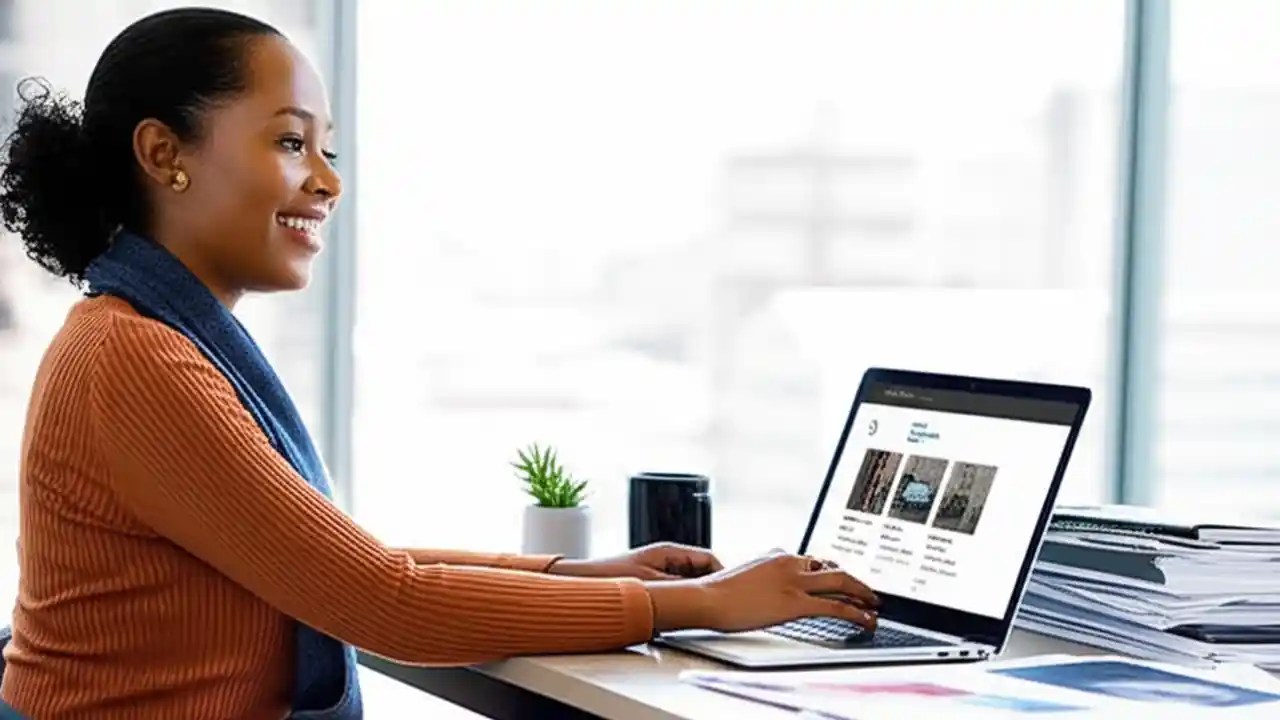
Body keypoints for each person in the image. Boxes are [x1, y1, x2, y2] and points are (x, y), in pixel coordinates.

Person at [0, 8, 879, 719]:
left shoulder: (147, 336)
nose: (328, 182)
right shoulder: (137, 359)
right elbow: (384, 600)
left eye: (327, 149)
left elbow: (323, 562)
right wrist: (703, 605)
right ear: (164, 155)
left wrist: (572, 575)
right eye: (290, 143)